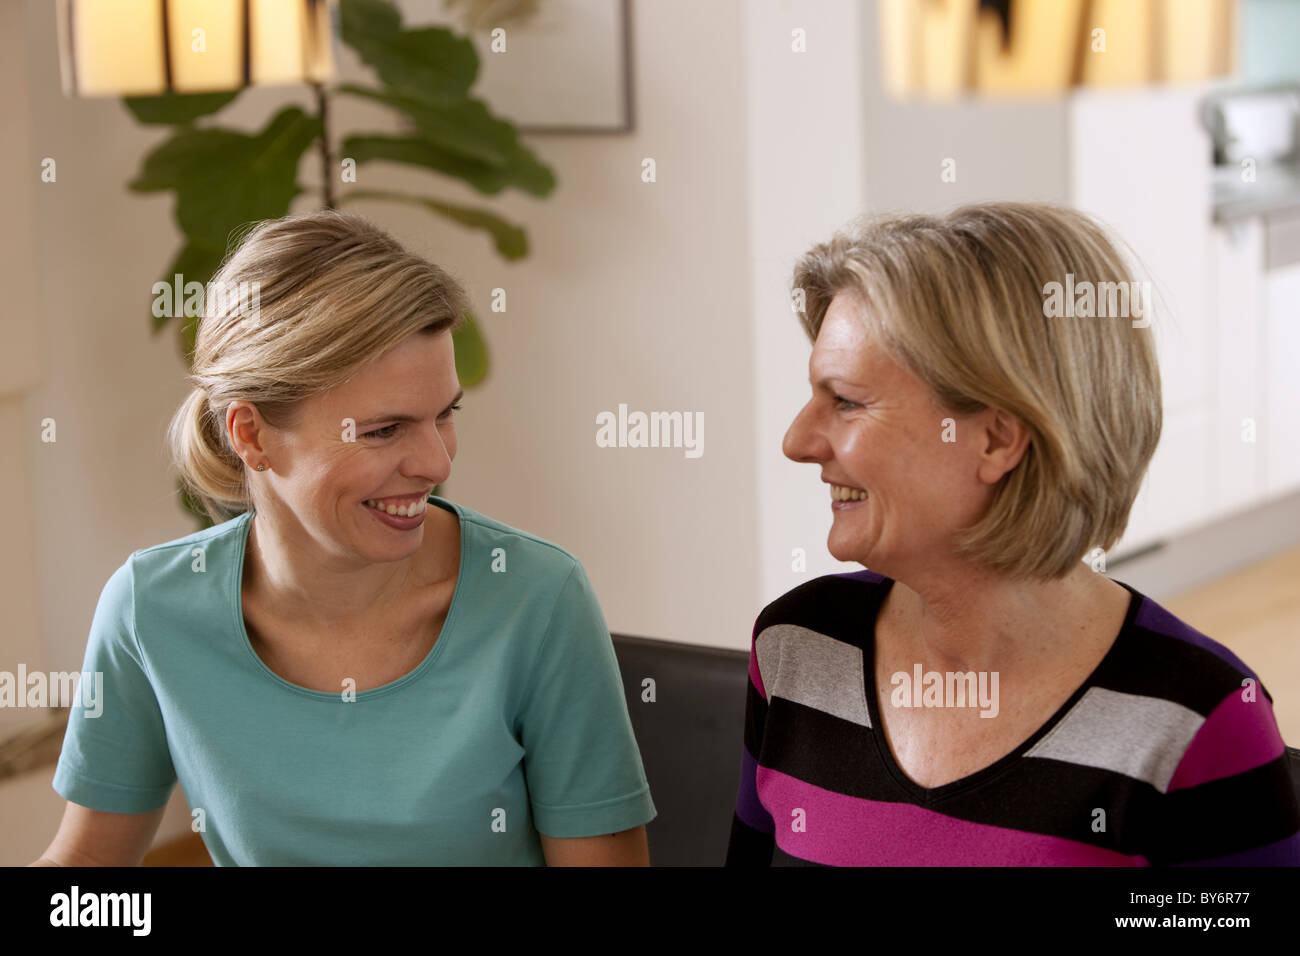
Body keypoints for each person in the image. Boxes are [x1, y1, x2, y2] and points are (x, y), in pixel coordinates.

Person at [33, 210, 654, 866]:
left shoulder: (535, 599)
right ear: (252, 435)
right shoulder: (150, 610)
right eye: (385, 430)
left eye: (444, 415)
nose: (437, 464)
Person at [726, 201, 1300, 866]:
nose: (798, 441)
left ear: (997, 439)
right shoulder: (798, 650)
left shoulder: (1192, 723)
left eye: (847, 401)